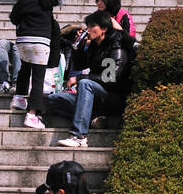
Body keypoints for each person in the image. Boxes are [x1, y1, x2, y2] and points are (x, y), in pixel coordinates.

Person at [47, 10, 133, 149]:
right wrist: (78, 47)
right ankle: (93, 118)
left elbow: (110, 77)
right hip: (93, 95)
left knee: (85, 83)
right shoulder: (95, 45)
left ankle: (79, 136)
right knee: (53, 100)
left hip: (111, 96)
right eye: (88, 26)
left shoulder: (116, 46)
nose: (89, 30)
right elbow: (80, 65)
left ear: (104, 28)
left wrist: (82, 78)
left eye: (93, 26)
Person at [11, 0, 62, 131]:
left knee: (25, 69)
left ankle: (19, 98)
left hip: (23, 40)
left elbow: (14, 18)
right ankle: (32, 115)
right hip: (41, 42)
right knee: (38, 79)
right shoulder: (48, 0)